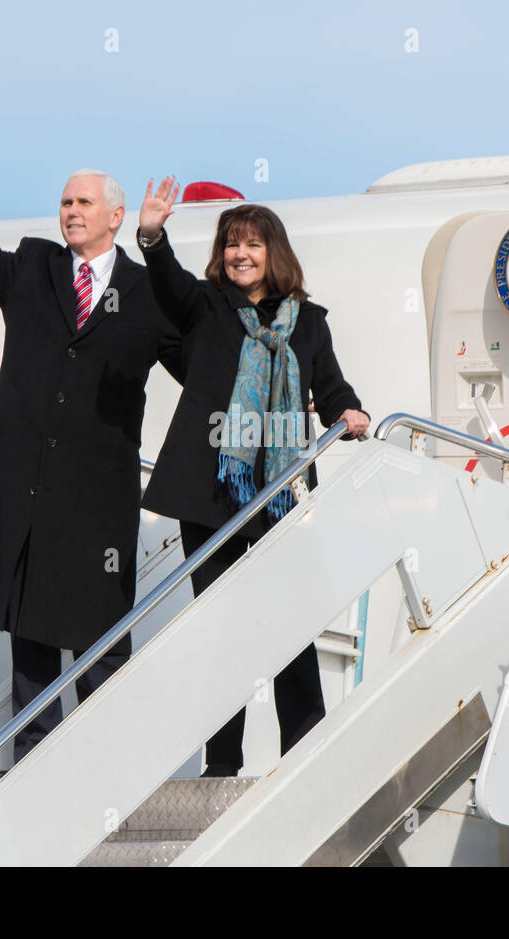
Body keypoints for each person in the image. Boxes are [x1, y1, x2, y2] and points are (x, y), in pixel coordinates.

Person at [0, 113, 184, 762]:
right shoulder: (31, 269)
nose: (71, 211)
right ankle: (36, 762)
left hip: (97, 498)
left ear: (116, 217)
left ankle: (111, 769)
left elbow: (198, 360)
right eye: (64, 202)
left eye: (84, 202)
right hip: (29, 492)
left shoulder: (143, 294)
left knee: (102, 643)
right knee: (30, 646)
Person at [135, 176, 370, 777]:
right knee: (221, 626)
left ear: (274, 254)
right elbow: (168, 285)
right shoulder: (207, 308)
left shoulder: (309, 323)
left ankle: (306, 748)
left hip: (280, 493)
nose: (240, 254)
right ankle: (222, 764)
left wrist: (351, 409)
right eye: (231, 244)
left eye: (252, 245)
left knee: (289, 620)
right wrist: (153, 237)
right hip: (208, 492)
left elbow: (331, 383)